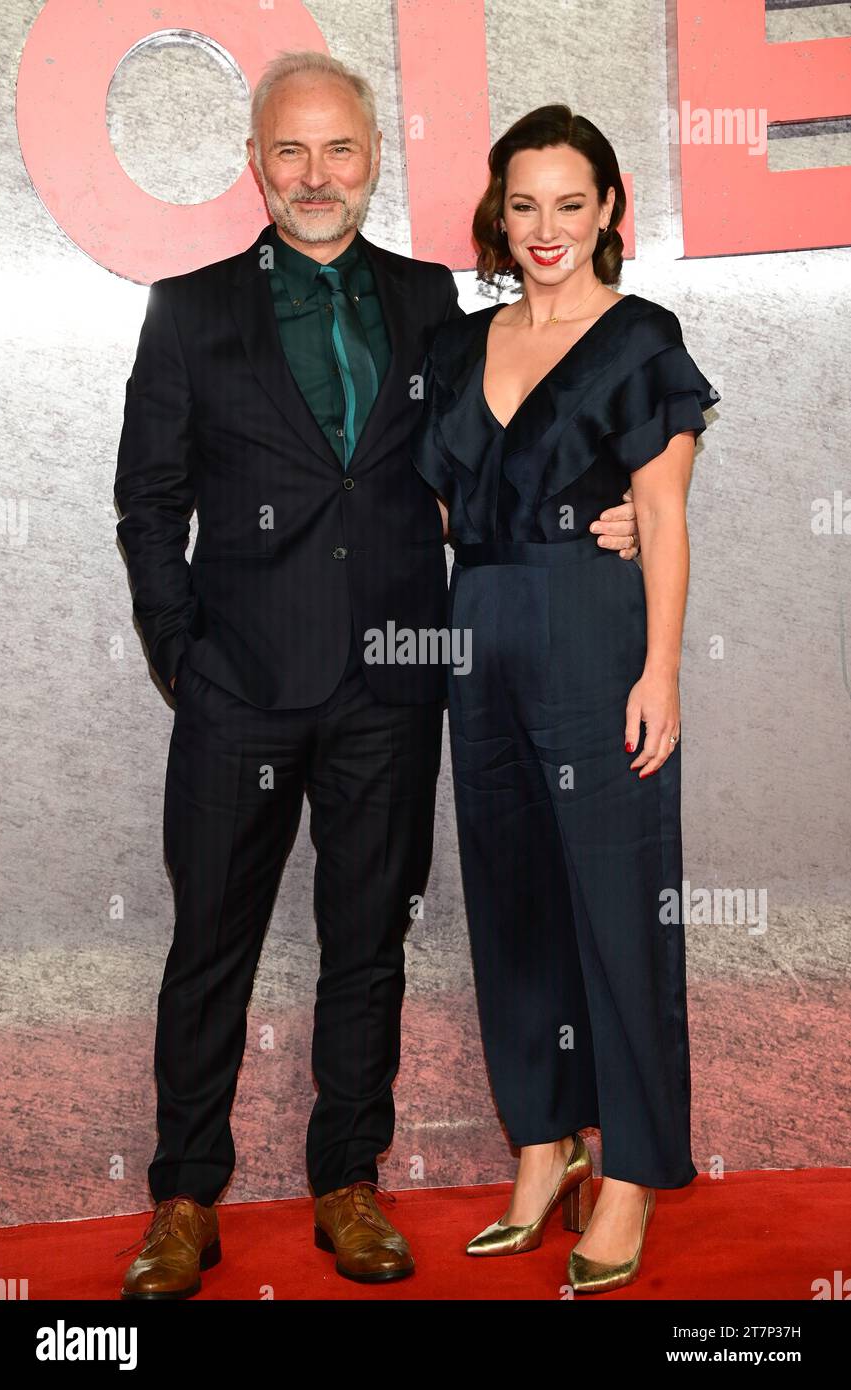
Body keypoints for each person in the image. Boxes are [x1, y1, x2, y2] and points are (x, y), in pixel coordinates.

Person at [113, 56, 643, 1298]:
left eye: (339, 150)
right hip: (237, 688)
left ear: (372, 158)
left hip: (393, 688)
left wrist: (608, 511)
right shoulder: (188, 310)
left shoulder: (432, 303)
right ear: (258, 162)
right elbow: (147, 506)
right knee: (209, 950)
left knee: (368, 948)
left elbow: (519, 436)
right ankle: (184, 1197)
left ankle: (347, 1182)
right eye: (290, 152)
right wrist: (183, 656)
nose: (315, 176)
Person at [410, 103, 719, 1295]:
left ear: (609, 209)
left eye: (570, 204)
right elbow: (439, 509)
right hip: (477, 635)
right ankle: (542, 1150)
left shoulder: (641, 338)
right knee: (513, 904)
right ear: (501, 212)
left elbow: (669, 515)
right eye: (524, 204)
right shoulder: (455, 345)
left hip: (595, 639)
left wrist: (660, 669)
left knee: (614, 906)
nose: (546, 228)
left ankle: (631, 1171)